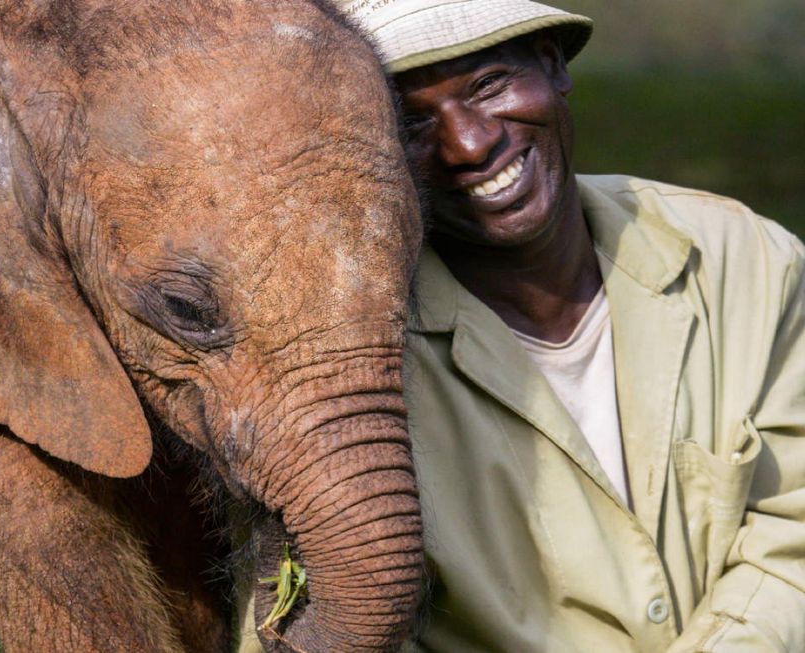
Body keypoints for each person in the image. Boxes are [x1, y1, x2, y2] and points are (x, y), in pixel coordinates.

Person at [237, 1, 805, 651]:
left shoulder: (745, 259)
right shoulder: (338, 373)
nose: (469, 144)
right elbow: (308, 627)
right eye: (409, 122)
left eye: (488, 85)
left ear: (552, 63)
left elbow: (792, 531)